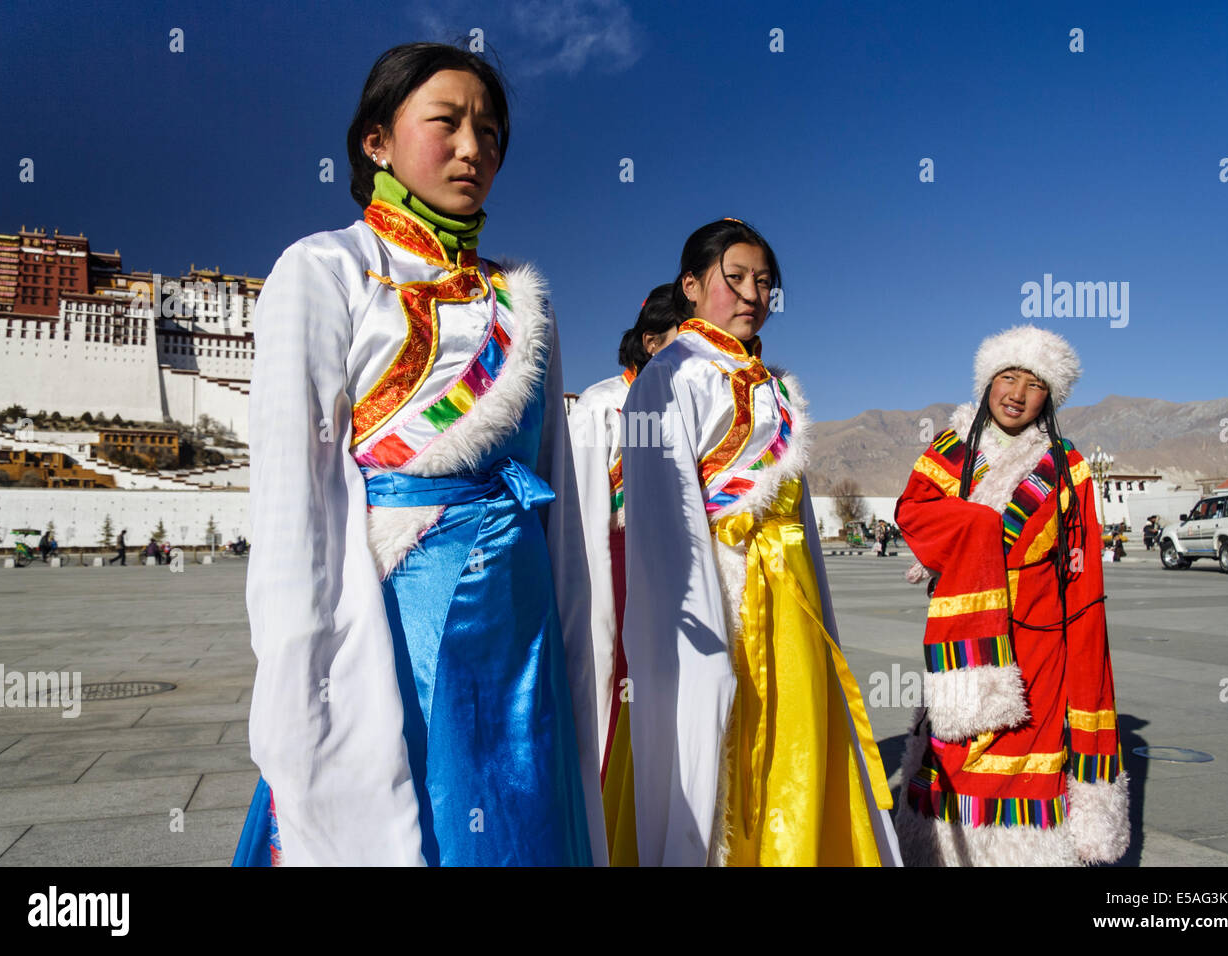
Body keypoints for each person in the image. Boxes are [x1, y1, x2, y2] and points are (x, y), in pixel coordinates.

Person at [233, 43, 604, 867]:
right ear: (376, 142)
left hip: (524, 619)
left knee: (524, 818)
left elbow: (556, 488)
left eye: (492, 133)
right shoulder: (326, 268)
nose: (475, 148)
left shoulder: (524, 300)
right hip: (398, 617)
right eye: (448, 122)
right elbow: (295, 495)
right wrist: (302, 678)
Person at [621, 219, 899, 866]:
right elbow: (665, 523)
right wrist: (692, 627)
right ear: (691, 285)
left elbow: (794, 511)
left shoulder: (777, 387)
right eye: (736, 277)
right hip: (718, 589)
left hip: (787, 595)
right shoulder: (669, 377)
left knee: (792, 742)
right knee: (717, 738)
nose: (753, 293)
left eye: (765, 282)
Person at [895, 325, 1128, 866]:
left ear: (1051, 396)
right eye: (1007, 376)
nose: (1017, 393)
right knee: (951, 759)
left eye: (1034, 383)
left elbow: (1082, 571)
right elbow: (912, 511)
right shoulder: (951, 449)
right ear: (986, 382)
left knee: (1028, 769)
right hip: (966, 648)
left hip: (1037, 649)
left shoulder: (1068, 468)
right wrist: (977, 526)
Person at [568, 284, 679, 865]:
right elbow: (583, 505)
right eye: (675, 344)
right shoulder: (600, 404)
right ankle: (609, 823)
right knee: (615, 689)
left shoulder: (689, 409)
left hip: (674, 568)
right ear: (648, 342)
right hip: (615, 563)